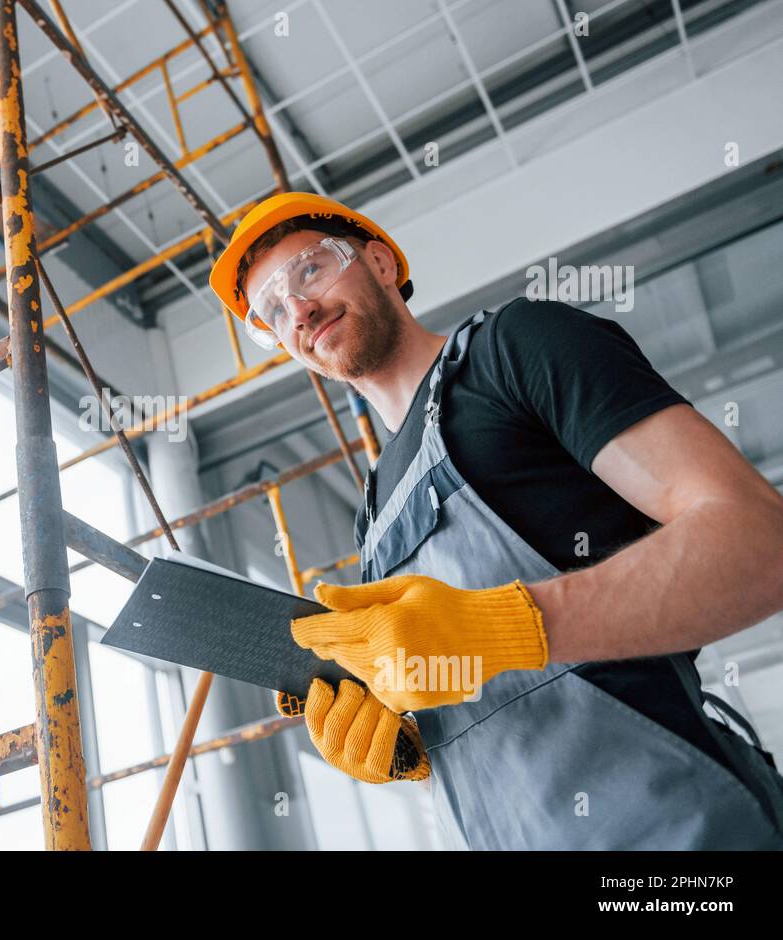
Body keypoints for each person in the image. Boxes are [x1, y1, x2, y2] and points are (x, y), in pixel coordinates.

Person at [208, 192, 783, 849]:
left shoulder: (514, 349)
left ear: (379, 262)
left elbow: (759, 540)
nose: (299, 310)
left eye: (310, 270)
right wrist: (410, 744)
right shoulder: (369, 524)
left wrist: (505, 628)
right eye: (273, 311)